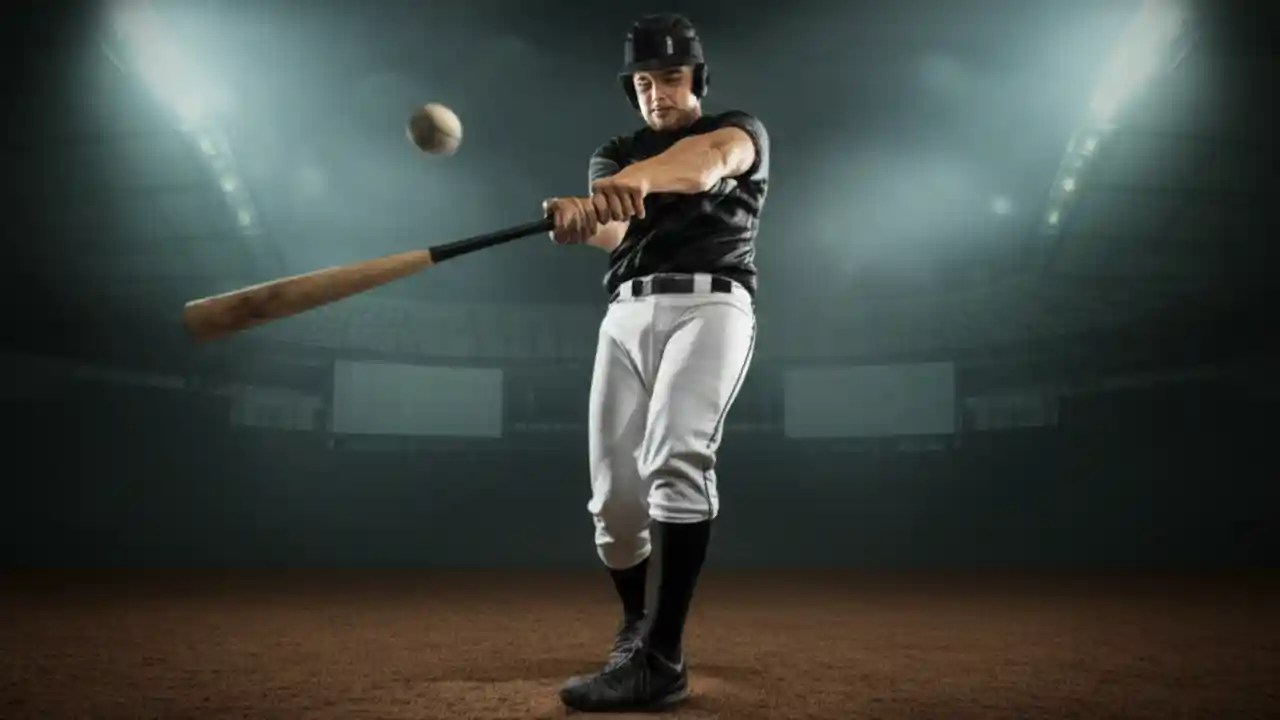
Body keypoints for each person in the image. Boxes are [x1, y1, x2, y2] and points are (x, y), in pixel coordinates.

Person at [541, 11, 770, 713]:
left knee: (675, 456)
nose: (656, 93)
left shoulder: (737, 130)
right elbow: (614, 232)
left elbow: (703, 168)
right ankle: (635, 627)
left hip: (712, 305)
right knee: (613, 504)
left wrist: (633, 182)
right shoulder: (614, 152)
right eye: (643, 80)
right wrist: (580, 219)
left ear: (696, 77)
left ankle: (663, 659)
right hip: (627, 314)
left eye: (670, 76)